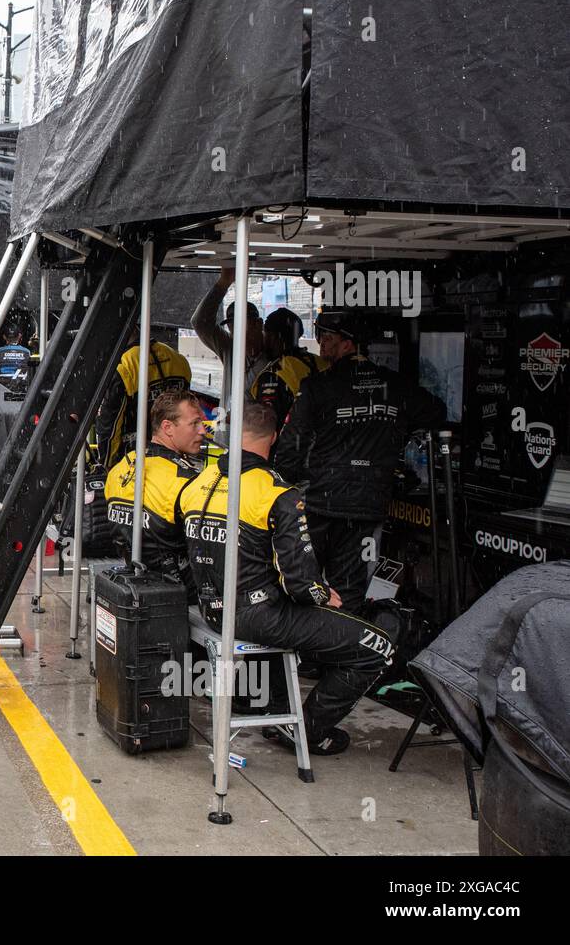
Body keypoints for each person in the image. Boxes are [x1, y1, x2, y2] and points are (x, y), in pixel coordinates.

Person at [179, 401, 398, 755]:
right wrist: (322, 595)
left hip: (211, 610)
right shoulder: (277, 491)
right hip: (255, 616)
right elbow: (300, 582)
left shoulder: (197, 482)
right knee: (378, 646)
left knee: (279, 606)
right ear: (275, 436)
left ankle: (277, 708)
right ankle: (302, 731)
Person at [273, 311, 444, 615]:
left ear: (348, 345)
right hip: (367, 504)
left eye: (328, 339)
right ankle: (341, 655)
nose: (321, 345)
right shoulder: (396, 385)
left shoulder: (317, 386)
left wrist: (286, 486)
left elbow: (290, 446)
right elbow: (436, 412)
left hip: (320, 502)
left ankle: (308, 658)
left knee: (304, 585)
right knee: (349, 589)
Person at [104, 390, 205, 598]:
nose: (202, 430)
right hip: (180, 589)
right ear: (167, 427)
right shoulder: (186, 480)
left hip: (135, 576)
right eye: (194, 423)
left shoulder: (121, 467)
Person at [95, 337, 192, 470]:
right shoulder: (178, 359)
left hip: (136, 459)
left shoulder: (124, 366)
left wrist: (107, 463)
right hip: (175, 456)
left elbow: (110, 425)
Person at [192, 264, 268, 405]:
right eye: (231, 327)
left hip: (256, 426)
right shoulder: (230, 348)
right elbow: (200, 322)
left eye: (241, 325)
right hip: (226, 425)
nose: (235, 333)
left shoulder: (273, 357)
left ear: (258, 324)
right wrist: (223, 284)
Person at [250, 307, 327, 425]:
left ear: (274, 337)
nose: (263, 338)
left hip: (290, 441)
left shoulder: (274, 373)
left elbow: (265, 426)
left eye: (265, 333)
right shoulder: (320, 362)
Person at [0, 322, 32, 390]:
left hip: (1, 391)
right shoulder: (27, 352)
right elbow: (32, 372)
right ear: (19, 336)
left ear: (4, 337)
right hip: (23, 392)